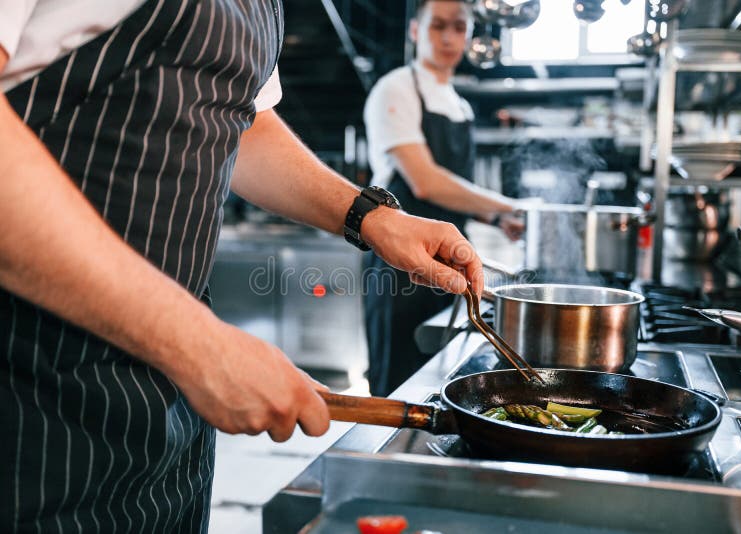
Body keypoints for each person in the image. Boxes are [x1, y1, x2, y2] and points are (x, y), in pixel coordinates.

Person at [0, 1, 484, 531]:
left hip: (167, 408)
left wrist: (368, 217)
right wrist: (193, 342)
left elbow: (237, 119)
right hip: (30, 390)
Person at [363, 0, 522, 397]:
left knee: (438, 375)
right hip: (397, 261)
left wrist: (496, 220)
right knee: (397, 373)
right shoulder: (397, 87)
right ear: (416, 32)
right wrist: (511, 206)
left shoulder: (459, 103)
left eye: (458, 27)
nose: (449, 37)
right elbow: (426, 183)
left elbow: (453, 191)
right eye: (438, 26)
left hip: (451, 260)